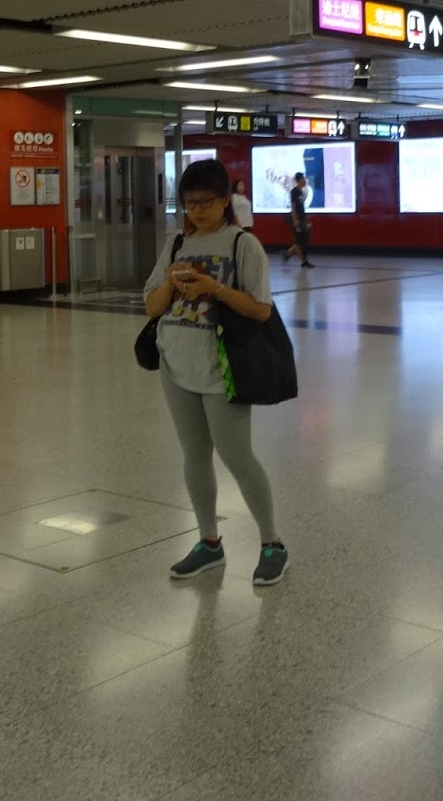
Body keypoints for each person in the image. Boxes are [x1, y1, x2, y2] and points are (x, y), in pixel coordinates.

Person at [144, 158, 288, 586]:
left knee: (237, 455)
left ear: (226, 200)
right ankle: (209, 542)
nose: (198, 210)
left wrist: (216, 289)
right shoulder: (175, 245)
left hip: (224, 367)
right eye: (189, 203)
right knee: (194, 456)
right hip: (175, 363)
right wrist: (171, 281)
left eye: (207, 201)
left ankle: (272, 543)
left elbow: (261, 310)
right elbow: (151, 306)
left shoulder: (243, 245)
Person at [283, 171, 314, 268]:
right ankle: (303, 261)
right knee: (300, 241)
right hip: (298, 219)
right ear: (298, 181)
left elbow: (301, 207)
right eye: (302, 179)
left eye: (304, 179)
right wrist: (295, 220)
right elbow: (293, 207)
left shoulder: (301, 192)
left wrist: (306, 219)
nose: (304, 181)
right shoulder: (294, 192)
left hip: (302, 219)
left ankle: (287, 254)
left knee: (302, 241)